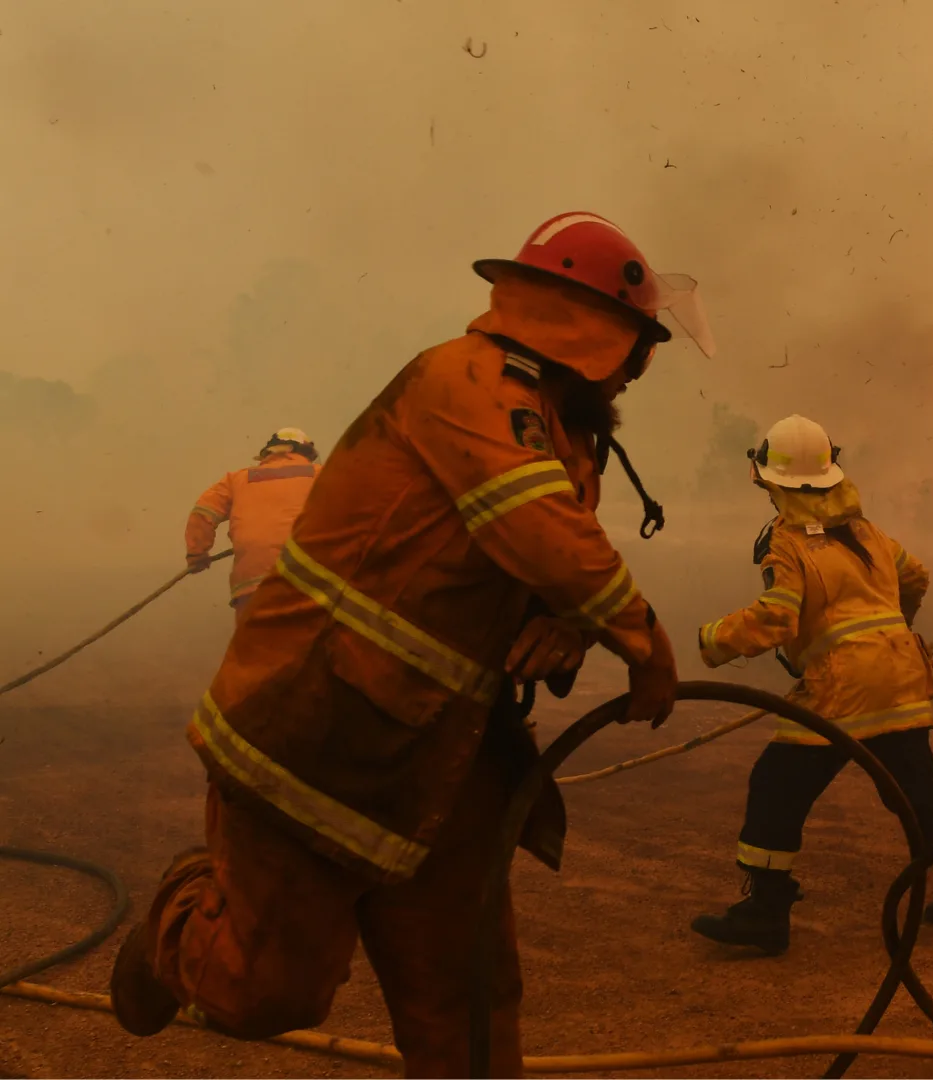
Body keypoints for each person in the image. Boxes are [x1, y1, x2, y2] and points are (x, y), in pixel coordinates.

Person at [109, 211, 716, 1077]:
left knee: (466, 1006)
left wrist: (568, 623)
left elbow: (540, 565)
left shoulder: (563, 430)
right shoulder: (467, 381)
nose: (635, 375)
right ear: (609, 337)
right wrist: (645, 645)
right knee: (264, 995)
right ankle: (178, 913)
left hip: (449, 759)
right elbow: (539, 527)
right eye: (639, 351)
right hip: (317, 739)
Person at [689, 414, 933, 957]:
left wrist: (713, 640)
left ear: (769, 480)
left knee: (776, 786)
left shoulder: (787, 544)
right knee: (915, 793)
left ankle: (765, 912)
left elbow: (777, 618)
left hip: (841, 690)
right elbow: (917, 575)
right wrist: (895, 626)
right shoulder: (867, 532)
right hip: (901, 676)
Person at [185, 428, 323, 620]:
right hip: (311, 580)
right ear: (307, 453)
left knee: (256, 648)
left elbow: (203, 513)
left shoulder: (237, 480)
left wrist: (196, 553)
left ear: (267, 453)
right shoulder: (323, 475)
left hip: (253, 584)